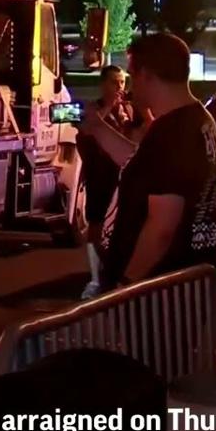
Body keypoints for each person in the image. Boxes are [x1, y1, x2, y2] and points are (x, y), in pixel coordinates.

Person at [77, 33, 216, 291]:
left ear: (147, 75)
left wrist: (125, 285)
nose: (130, 87)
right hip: (184, 282)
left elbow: (161, 229)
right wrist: (98, 129)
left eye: (132, 75)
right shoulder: (197, 121)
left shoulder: (174, 134)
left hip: (157, 293)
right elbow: (144, 165)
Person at [75, 65, 135, 299]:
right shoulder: (95, 108)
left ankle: (115, 273)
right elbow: (87, 130)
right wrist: (111, 106)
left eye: (122, 82)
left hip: (122, 177)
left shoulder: (129, 110)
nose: (119, 87)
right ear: (103, 84)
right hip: (99, 175)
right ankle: (94, 278)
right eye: (114, 82)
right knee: (96, 226)